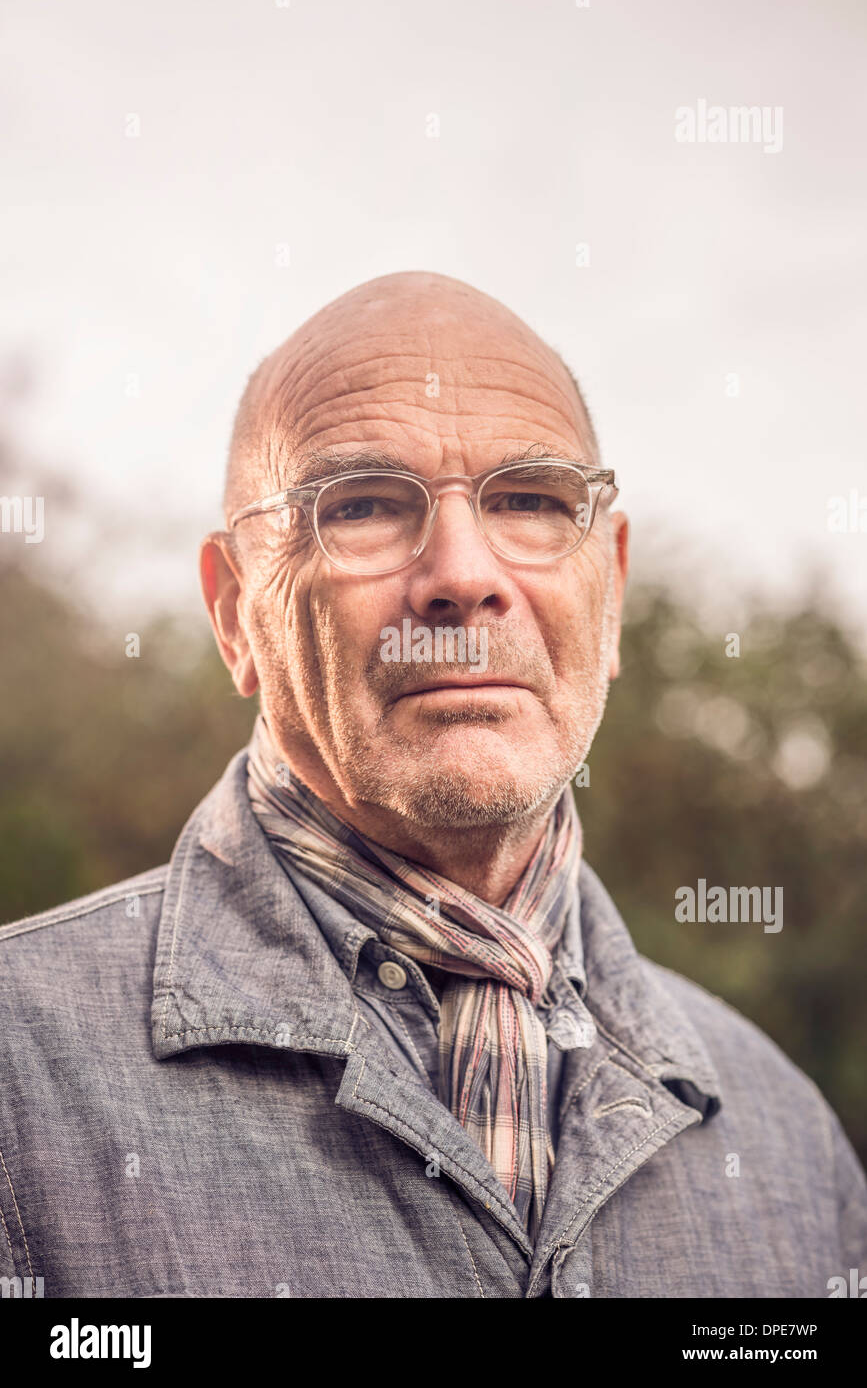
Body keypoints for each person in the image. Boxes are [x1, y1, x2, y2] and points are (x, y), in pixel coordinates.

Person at [1, 272, 865, 1299]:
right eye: (361, 505)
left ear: (614, 590)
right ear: (235, 613)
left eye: (532, 501)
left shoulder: (790, 1145)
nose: (462, 572)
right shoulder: (21, 1079)